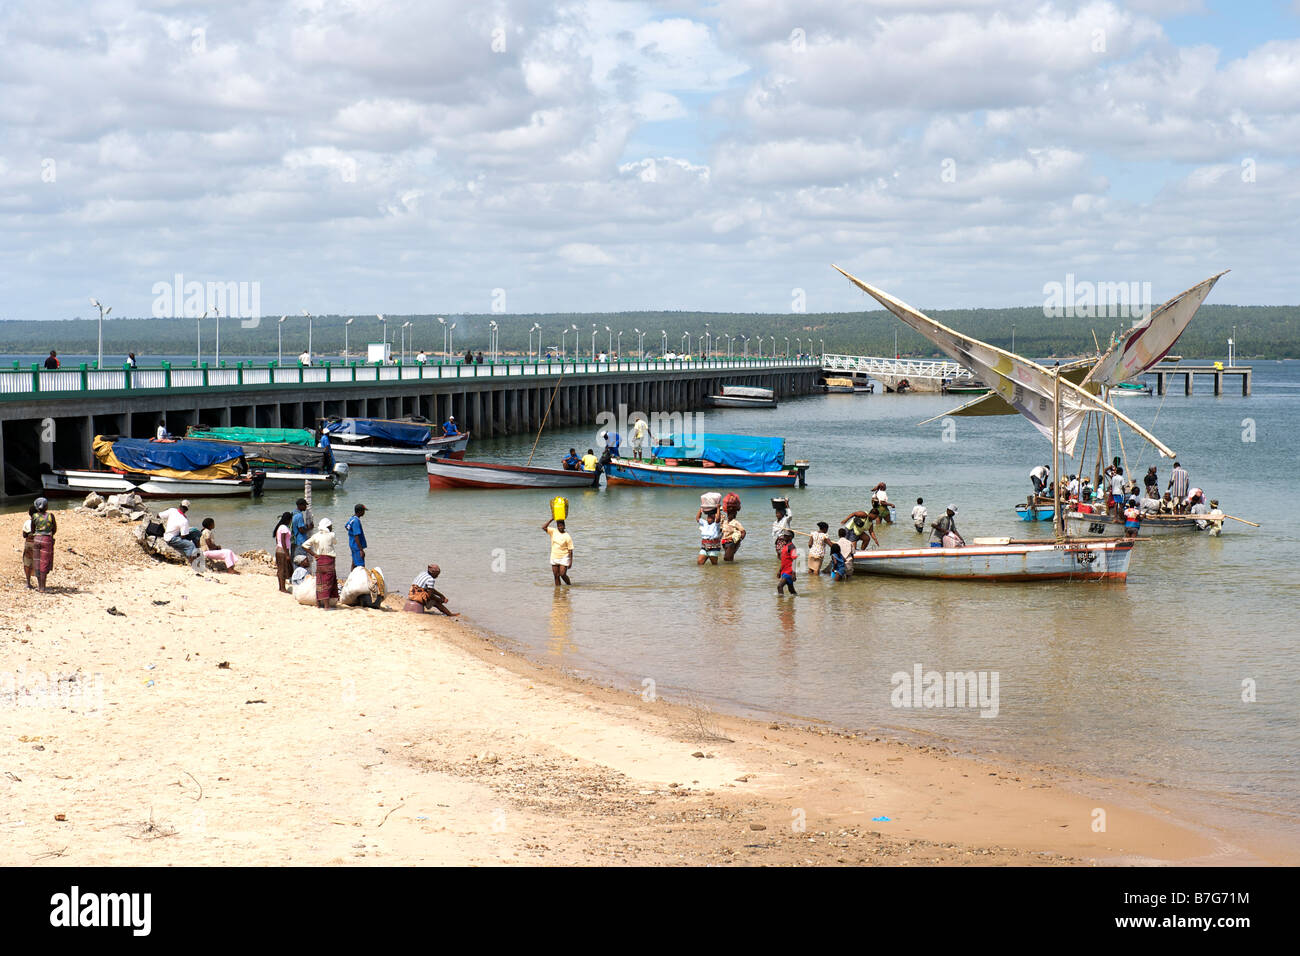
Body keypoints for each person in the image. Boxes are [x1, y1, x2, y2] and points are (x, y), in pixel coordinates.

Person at [303, 518, 338, 609]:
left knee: (320, 582)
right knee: (328, 582)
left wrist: (314, 554)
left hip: (320, 561)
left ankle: (318, 604)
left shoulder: (316, 536)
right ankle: (326, 606)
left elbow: (305, 545)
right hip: (329, 561)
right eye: (330, 526)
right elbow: (335, 542)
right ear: (328, 526)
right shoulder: (331, 535)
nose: (331, 527)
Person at [30, 500, 58, 592]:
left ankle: (39, 586)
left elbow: (32, 530)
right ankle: (43, 587)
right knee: (44, 562)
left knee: (37, 561)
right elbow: (54, 529)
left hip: (37, 539)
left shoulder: (34, 516)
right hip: (47, 540)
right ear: (46, 507)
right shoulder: (51, 516)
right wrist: (50, 534)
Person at [543, 517, 573, 586]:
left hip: (564, 557)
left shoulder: (567, 536)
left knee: (562, 574)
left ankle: (569, 585)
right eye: (559, 526)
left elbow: (570, 550)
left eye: (562, 526)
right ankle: (557, 591)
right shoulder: (553, 531)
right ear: (557, 526)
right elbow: (543, 527)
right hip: (554, 556)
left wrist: (570, 562)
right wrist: (551, 519)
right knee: (556, 575)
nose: (561, 527)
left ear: (564, 526)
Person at [273, 511, 293, 592]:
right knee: (282, 569)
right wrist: (287, 554)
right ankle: (282, 588)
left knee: (281, 569)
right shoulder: (284, 528)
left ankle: (281, 587)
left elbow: (277, 540)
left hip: (279, 549)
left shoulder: (280, 527)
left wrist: (279, 545)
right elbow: (283, 540)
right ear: (288, 519)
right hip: (283, 551)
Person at [344, 504, 368, 569]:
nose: (364, 513)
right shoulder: (356, 521)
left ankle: (351, 577)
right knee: (361, 566)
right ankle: (359, 578)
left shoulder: (352, 518)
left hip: (352, 544)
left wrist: (351, 533)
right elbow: (356, 536)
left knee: (354, 562)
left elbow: (346, 527)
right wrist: (361, 550)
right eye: (363, 511)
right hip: (356, 546)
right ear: (360, 511)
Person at [776, 530, 798, 596]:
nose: (784, 537)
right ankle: (792, 603)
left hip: (789, 572)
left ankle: (781, 604)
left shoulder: (792, 547)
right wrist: (780, 571)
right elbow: (784, 561)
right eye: (784, 535)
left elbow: (794, 560)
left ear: (790, 537)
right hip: (784, 571)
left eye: (786, 536)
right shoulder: (785, 546)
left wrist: (794, 573)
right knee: (791, 591)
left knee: (779, 586)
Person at [21, 505, 36, 589]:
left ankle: (28, 583)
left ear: (29, 514)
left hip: (29, 544)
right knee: (38, 562)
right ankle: (41, 583)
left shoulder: (27, 522)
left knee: (27, 562)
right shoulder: (40, 523)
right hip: (39, 543)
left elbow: (24, 535)